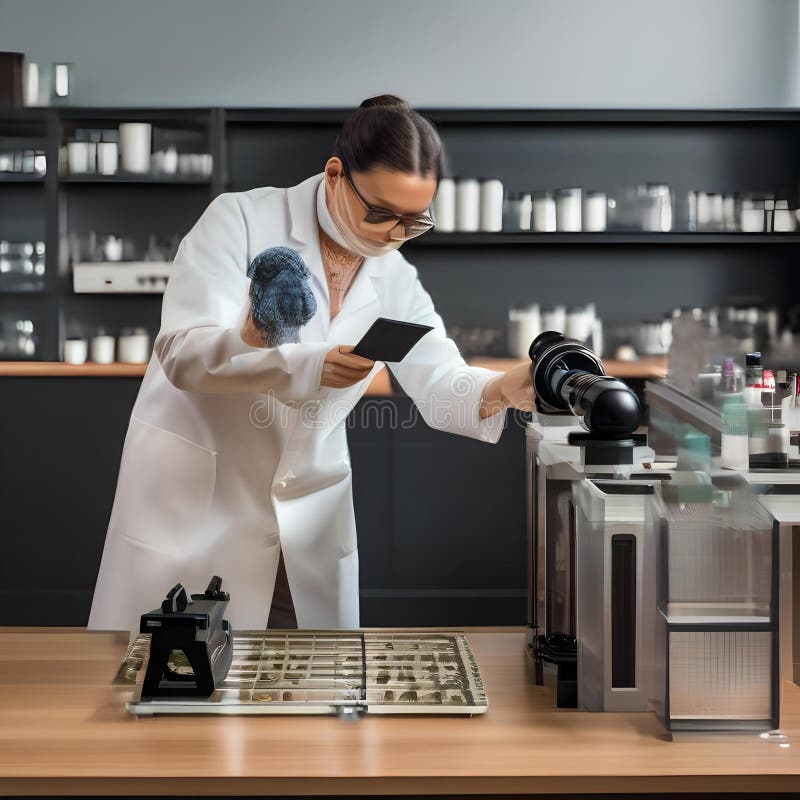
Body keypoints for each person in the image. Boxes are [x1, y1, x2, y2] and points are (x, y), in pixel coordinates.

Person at [87, 94, 534, 636]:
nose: (392, 235)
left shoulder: (392, 275)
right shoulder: (240, 220)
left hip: (308, 523)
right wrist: (292, 355)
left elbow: (440, 382)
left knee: (311, 695)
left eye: (413, 223)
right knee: (176, 696)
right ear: (335, 174)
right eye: (380, 212)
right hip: (200, 514)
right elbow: (183, 353)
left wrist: (507, 387)